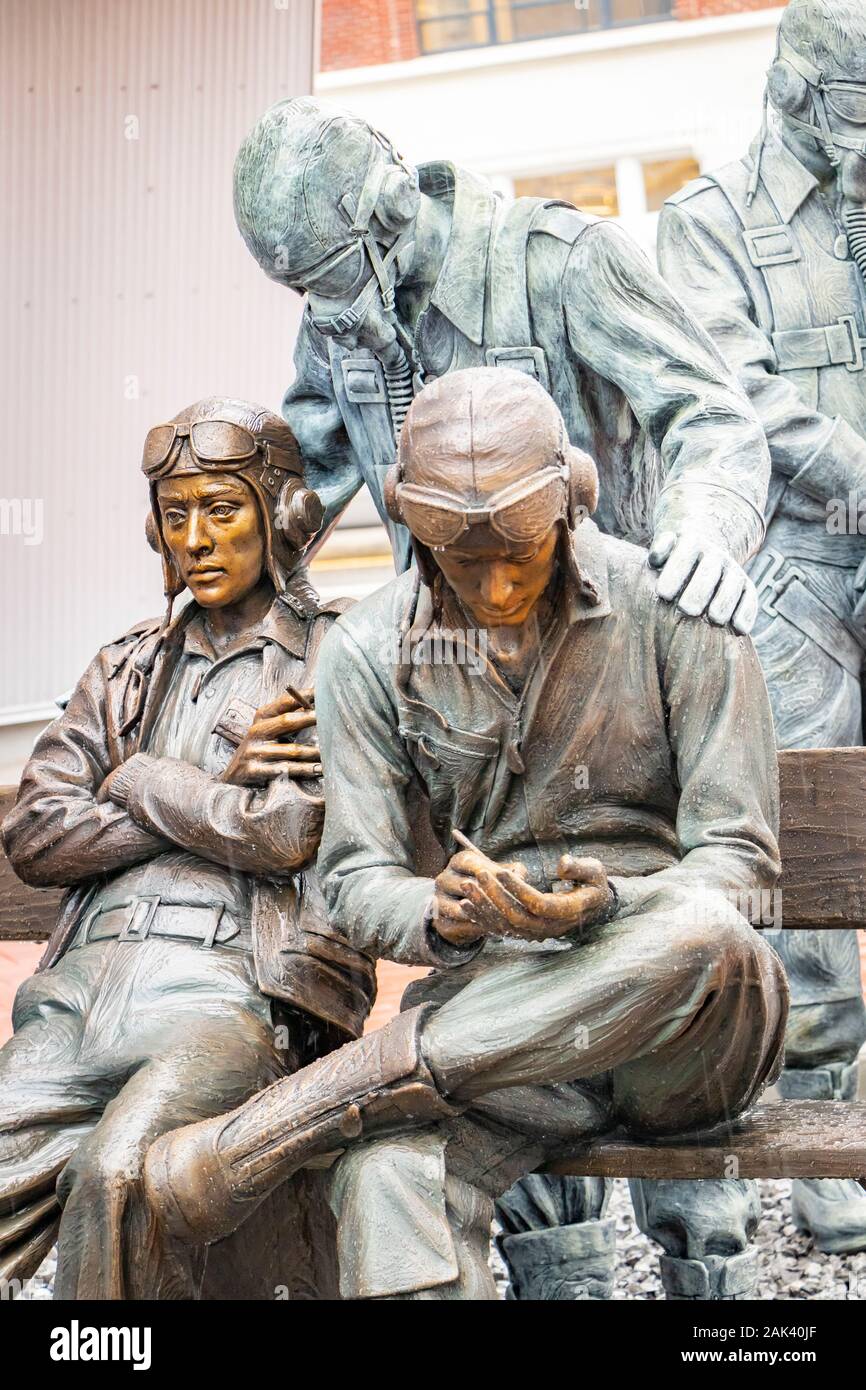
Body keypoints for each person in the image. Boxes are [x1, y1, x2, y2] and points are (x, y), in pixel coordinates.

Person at [143, 368, 788, 1302]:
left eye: (518, 551)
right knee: (384, 1176)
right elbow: (355, 879)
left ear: (572, 499)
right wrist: (440, 914)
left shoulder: (678, 614)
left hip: (684, 1041)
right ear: (410, 520)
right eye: (458, 555)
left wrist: (615, 903)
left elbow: (741, 868)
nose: (492, 584)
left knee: (701, 932)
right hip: (505, 1027)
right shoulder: (369, 652)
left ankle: (320, 1104)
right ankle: (369, 1095)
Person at [0, 397, 374, 1299]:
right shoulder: (123, 666)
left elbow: (286, 831)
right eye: (176, 518)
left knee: (122, 1178)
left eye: (222, 510)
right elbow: (36, 832)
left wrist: (138, 779)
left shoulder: (335, 657)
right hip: (77, 998)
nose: (196, 539)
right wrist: (209, 788)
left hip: (230, 1000)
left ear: (281, 518)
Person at [233, 95, 771, 633]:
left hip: (602, 639)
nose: (319, 309)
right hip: (444, 657)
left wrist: (703, 530)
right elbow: (302, 486)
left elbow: (711, 417)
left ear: (389, 209)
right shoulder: (334, 325)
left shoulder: (563, 262)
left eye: (326, 275)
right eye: (297, 286)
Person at [646, 0, 866, 1280]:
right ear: (794, 97)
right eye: (851, 111)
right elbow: (730, 393)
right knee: (812, 885)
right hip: (791, 585)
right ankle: (824, 1174)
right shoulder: (707, 223)